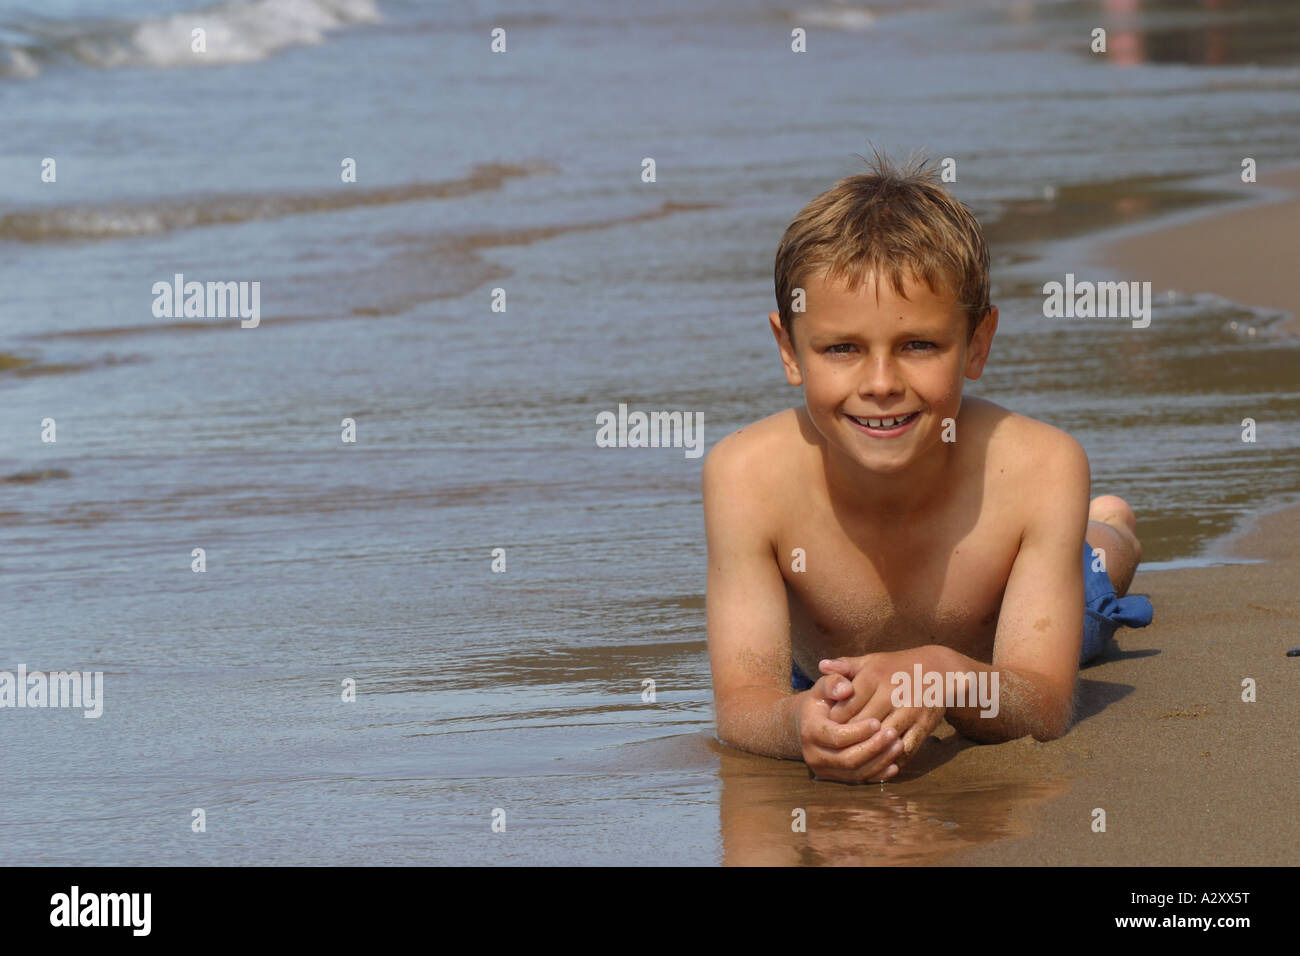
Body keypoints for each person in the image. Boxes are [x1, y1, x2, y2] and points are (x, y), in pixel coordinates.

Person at [701, 152, 1153, 784]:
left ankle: (1109, 526)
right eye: (842, 348)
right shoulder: (744, 475)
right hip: (832, 677)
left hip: (1000, 648)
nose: (881, 383)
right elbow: (743, 702)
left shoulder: (1041, 466)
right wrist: (798, 722)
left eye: (919, 345)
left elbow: (1043, 702)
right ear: (789, 349)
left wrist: (945, 674)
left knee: (1100, 575)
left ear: (977, 343)